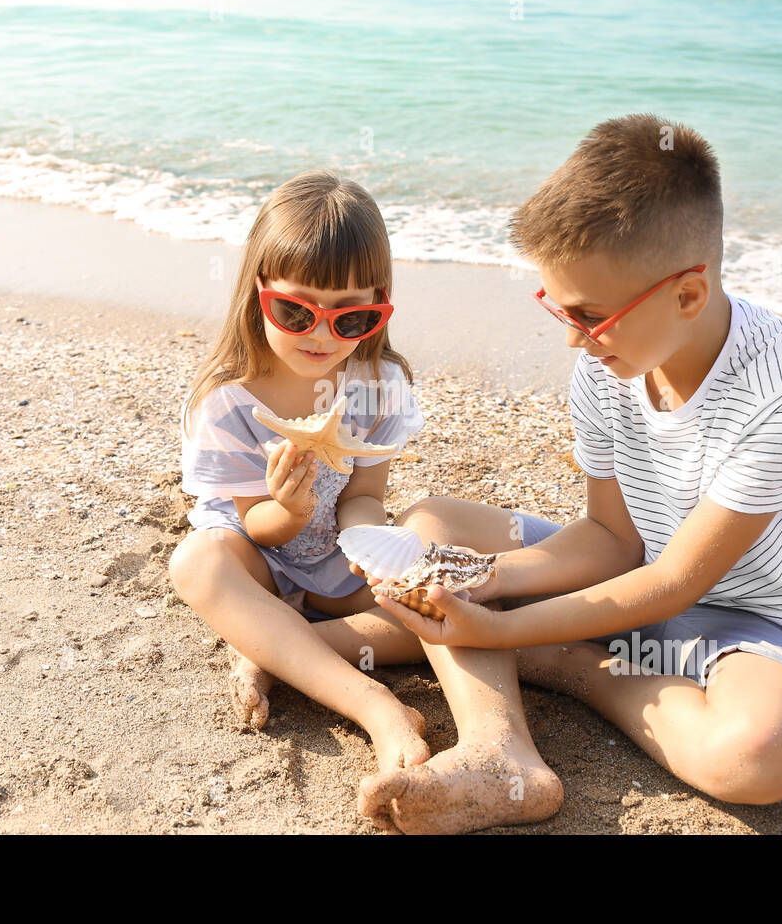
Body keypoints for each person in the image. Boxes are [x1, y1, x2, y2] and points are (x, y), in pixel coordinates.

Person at [359, 114, 782, 827]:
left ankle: (564, 663)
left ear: (687, 294)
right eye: (557, 307)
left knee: (761, 756)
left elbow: (675, 583)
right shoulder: (609, 358)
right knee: (430, 524)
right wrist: (489, 576)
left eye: (589, 315)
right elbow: (610, 539)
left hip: (750, 619)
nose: (571, 336)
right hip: (632, 574)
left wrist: (500, 630)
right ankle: (499, 747)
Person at [168, 170, 563, 831]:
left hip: (332, 558)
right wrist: (287, 511)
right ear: (256, 293)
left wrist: (368, 546)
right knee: (197, 564)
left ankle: (272, 647)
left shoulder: (378, 385)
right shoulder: (228, 402)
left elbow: (366, 495)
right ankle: (375, 706)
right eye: (295, 312)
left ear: (381, 307)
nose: (320, 335)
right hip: (257, 553)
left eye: (350, 316)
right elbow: (254, 528)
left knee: (429, 589)